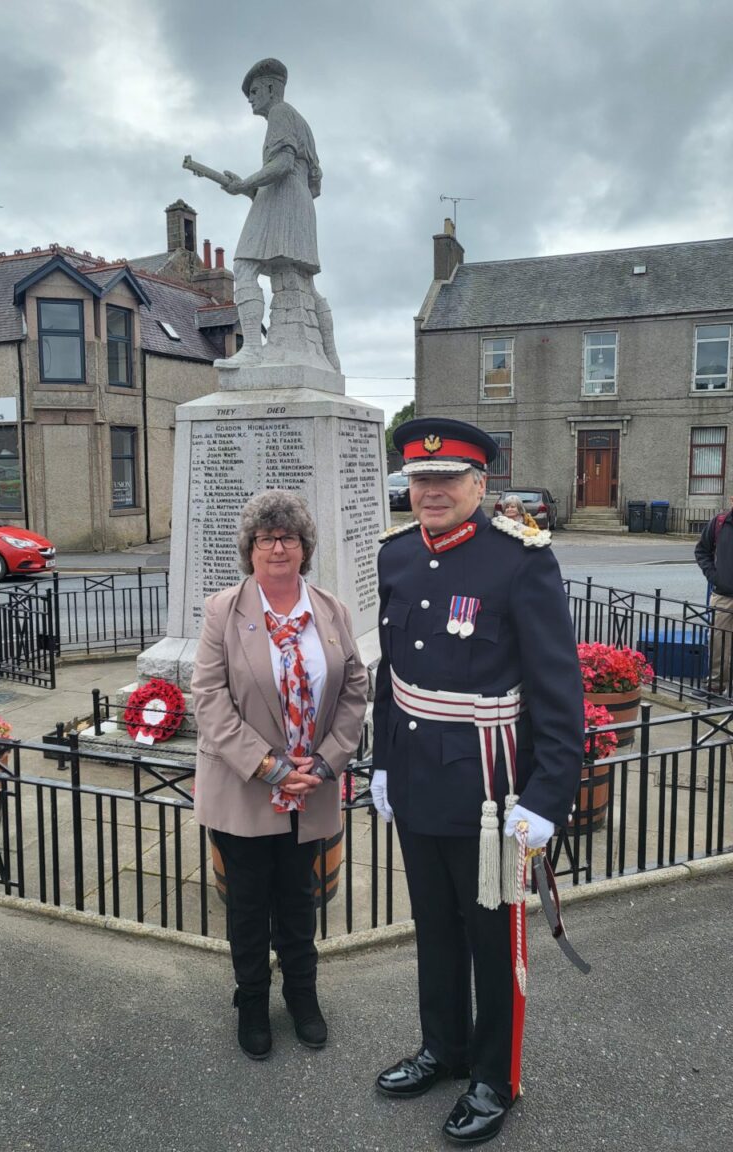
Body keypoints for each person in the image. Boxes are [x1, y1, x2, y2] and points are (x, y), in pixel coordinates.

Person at [370, 418, 584, 1146]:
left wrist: (549, 799)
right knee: (434, 927)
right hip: (419, 783)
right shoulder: (394, 557)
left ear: (479, 484)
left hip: (493, 791)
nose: (431, 492)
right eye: (421, 481)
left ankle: (494, 1075)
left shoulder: (520, 561)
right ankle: (446, 1048)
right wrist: (383, 764)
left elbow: (559, 694)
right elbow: (389, 674)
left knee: (491, 938)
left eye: (448, 479)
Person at [191, 489, 367, 1060]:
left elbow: (355, 690)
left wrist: (325, 761)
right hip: (246, 788)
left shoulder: (330, 610)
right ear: (250, 549)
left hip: (311, 787)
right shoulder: (224, 610)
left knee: (298, 899)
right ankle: (251, 1000)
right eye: (266, 538)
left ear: (304, 547)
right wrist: (268, 766)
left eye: (288, 537)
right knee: (246, 903)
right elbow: (209, 699)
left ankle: (303, 997)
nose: (277, 548)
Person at [216, 57, 340, 371]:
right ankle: (330, 358)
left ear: (272, 87)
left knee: (244, 266)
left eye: (255, 90)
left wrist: (246, 181)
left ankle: (253, 349)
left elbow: (283, 165)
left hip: (283, 198)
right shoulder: (302, 123)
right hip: (296, 201)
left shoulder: (281, 113)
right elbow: (310, 181)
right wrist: (245, 188)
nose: (250, 98)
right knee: (305, 284)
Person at [695, 495, 733, 696]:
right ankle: (715, 686)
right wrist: (714, 576)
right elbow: (702, 550)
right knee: (718, 643)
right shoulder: (719, 523)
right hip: (723, 595)